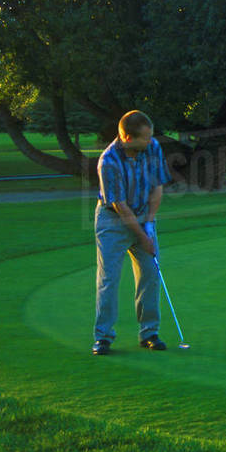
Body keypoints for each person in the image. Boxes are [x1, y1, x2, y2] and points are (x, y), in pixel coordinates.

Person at [92, 110, 172, 355]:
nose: (150, 142)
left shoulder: (153, 147)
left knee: (150, 275)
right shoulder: (108, 162)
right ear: (127, 137)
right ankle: (103, 337)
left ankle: (149, 333)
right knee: (109, 279)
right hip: (112, 221)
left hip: (143, 215)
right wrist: (142, 237)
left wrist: (149, 224)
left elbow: (157, 187)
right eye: (145, 138)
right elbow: (120, 206)